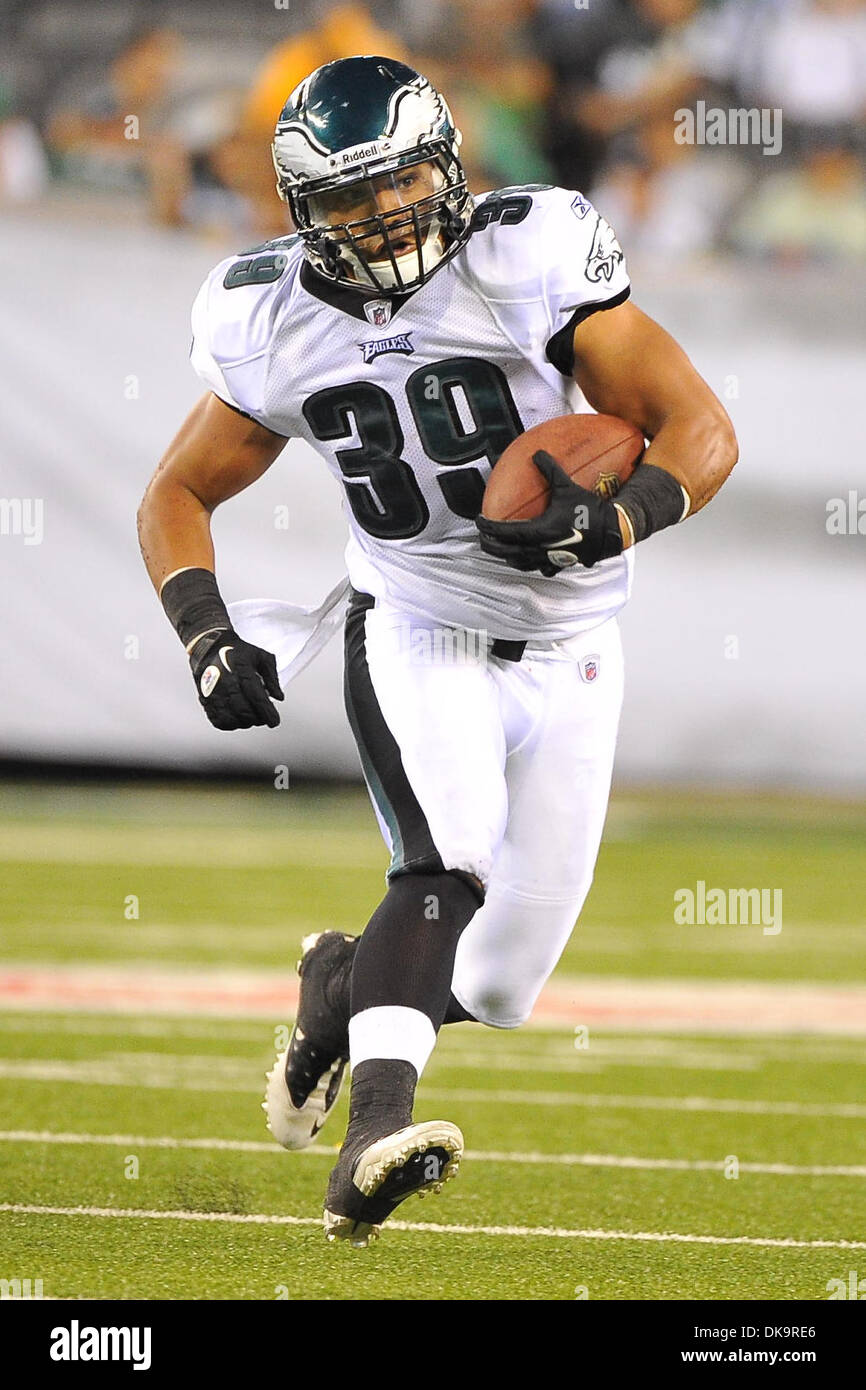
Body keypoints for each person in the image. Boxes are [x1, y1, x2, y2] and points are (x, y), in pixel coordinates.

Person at [137, 55, 737, 1246]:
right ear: (304, 211)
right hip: (413, 625)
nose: (383, 214)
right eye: (349, 199)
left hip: (570, 646)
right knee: (444, 862)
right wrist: (205, 632)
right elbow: (176, 490)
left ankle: (337, 989)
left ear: (447, 166)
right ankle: (371, 1139)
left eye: (402, 180)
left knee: (505, 981)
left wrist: (620, 515)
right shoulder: (268, 314)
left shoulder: (531, 254)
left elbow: (700, 427)